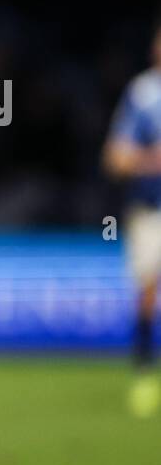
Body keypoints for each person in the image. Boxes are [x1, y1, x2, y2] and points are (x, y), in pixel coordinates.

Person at [102, 22, 161, 417]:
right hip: (151, 211)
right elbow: (114, 157)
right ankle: (143, 373)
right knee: (147, 291)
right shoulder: (143, 95)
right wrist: (149, 160)